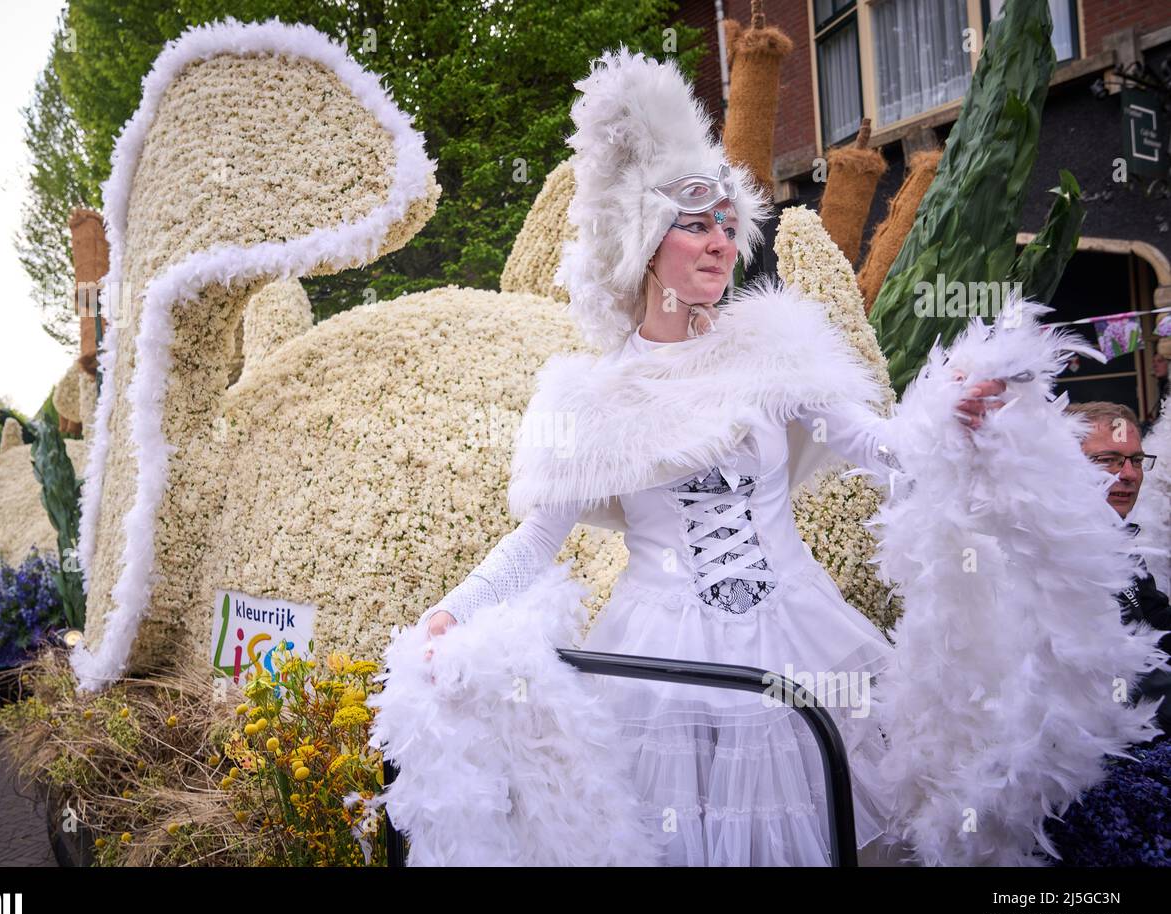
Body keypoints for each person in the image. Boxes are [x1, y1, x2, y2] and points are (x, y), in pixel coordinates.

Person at [417, 48, 1005, 867]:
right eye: (696, 225)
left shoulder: (775, 348)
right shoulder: (591, 398)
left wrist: (950, 416)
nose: (721, 242)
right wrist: (451, 614)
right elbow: (535, 540)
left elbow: (878, 447)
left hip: (804, 635)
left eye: (728, 226)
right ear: (644, 245)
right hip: (663, 665)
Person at [1066, 400, 1171, 736]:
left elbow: (1160, 627)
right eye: (1107, 460)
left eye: (1136, 461)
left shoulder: (1116, 541)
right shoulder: (1056, 557)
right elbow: (1128, 686)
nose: (1128, 474)